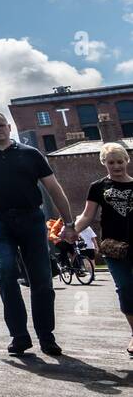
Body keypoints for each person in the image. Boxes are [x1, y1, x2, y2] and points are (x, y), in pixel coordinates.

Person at [0, 111, 75, 356]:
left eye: (1, 125)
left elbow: (54, 188)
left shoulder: (30, 154)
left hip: (32, 219)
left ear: (9, 127)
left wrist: (69, 223)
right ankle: (19, 336)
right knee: (5, 269)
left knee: (41, 278)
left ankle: (47, 336)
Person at [73, 141, 133, 356]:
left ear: (127, 160)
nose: (116, 166)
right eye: (111, 162)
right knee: (125, 288)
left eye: (120, 161)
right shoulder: (98, 187)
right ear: (104, 163)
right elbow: (87, 215)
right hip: (114, 246)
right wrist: (73, 230)